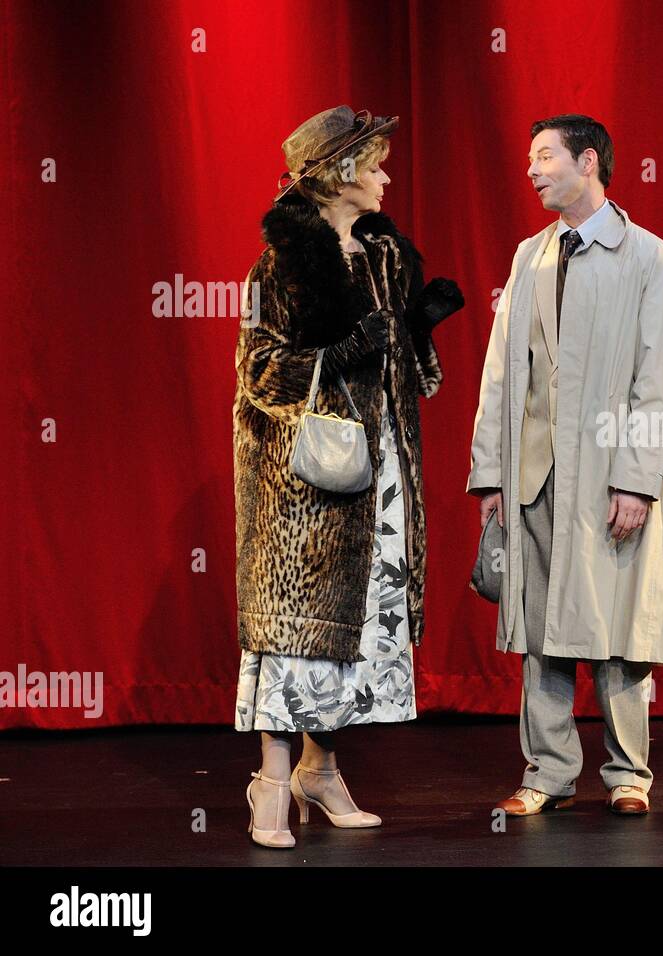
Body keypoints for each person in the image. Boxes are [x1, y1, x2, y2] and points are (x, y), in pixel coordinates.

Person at [232, 105, 463, 847]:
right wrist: (340, 353)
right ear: (337, 174)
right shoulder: (279, 266)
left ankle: (320, 770)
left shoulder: (384, 256)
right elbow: (257, 370)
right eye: (374, 164)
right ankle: (270, 783)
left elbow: (405, 371)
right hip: (305, 478)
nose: (385, 175)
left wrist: (416, 326)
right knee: (297, 627)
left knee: (358, 624)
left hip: (381, 465)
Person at [467, 114, 663, 816]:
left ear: (587, 161)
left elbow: (661, 378)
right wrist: (492, 473)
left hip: (610, 473)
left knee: (619, 627)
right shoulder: (529, 256)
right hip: (537, 471)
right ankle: (548, 772)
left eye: (545, 157)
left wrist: (637, 478)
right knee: (540, 629)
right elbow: (501, 373)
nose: (532, 171)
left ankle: (628, 774)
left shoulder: (651, 258)